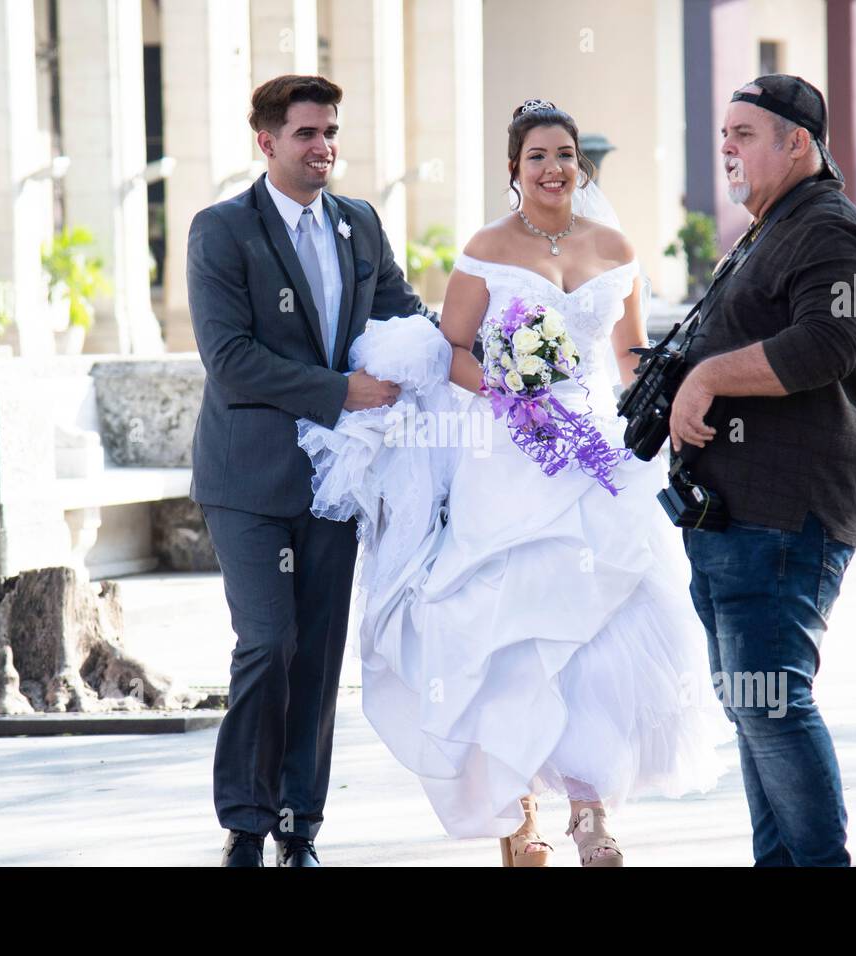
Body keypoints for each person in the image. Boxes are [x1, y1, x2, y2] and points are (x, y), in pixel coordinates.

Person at [298, 99, 733, 867]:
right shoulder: (487, 249)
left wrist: (660, 411)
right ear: (514, 169)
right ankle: (516, 813)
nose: (554, 168)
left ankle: (594, 812)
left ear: (579, 164)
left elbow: (629, 356)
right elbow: (453, 349)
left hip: (595, 452)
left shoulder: (615, 245)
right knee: (504, 633)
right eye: (537, 156)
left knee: (601, 628)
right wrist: (509, 395)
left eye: (565, 154)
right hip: (508, 451)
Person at [185, 74, 435, 867]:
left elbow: (405, 315)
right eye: (305, 134)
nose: (323, 147)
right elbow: (229, 360)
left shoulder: (360, 225)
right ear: (265, 141)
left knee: (319, 653)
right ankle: (244, 824)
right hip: (250, 478)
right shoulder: (222, 231)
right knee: (268, 642)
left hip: (341, 479)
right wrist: (340, 392)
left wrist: (491, 349)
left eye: (330, 132)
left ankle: (300, 828)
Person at [668, 74, 856, 866]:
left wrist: (710, 377)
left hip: (783, 518)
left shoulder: (834, 230)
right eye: (724, 133)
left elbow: (830, 343)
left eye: (745, 133)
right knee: (753, 708)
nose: (727, 147)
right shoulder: (769, 229)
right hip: (730, 518)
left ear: (799, 143)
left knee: (773, 706)